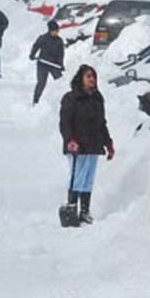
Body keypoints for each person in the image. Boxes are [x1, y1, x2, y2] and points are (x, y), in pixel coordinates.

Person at [59, 65, 115, 224]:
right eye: (88, 76)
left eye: (94, 76)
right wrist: (70, 140)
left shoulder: (97, 98)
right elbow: (65, 122)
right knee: (78, 177)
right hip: (78, 145)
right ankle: (71, 209)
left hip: (94, 145)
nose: (92, 79)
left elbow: (101, 123)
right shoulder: (71, 98)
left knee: (88, 179)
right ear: (81, 78)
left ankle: (85, 211)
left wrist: (108, 143)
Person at [29, 20, 65, 104]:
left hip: (54, 65)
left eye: (57, 31)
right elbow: (36, 46)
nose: (57, 33)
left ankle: (62, 100)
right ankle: (35, 100)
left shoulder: (59, 40)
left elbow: (61, 54)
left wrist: (61, 64)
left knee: (61, 82)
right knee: (41, 83)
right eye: (55, 31)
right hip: (42, 64)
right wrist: (32, 55)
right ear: (50, 31)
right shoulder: (43, 38)